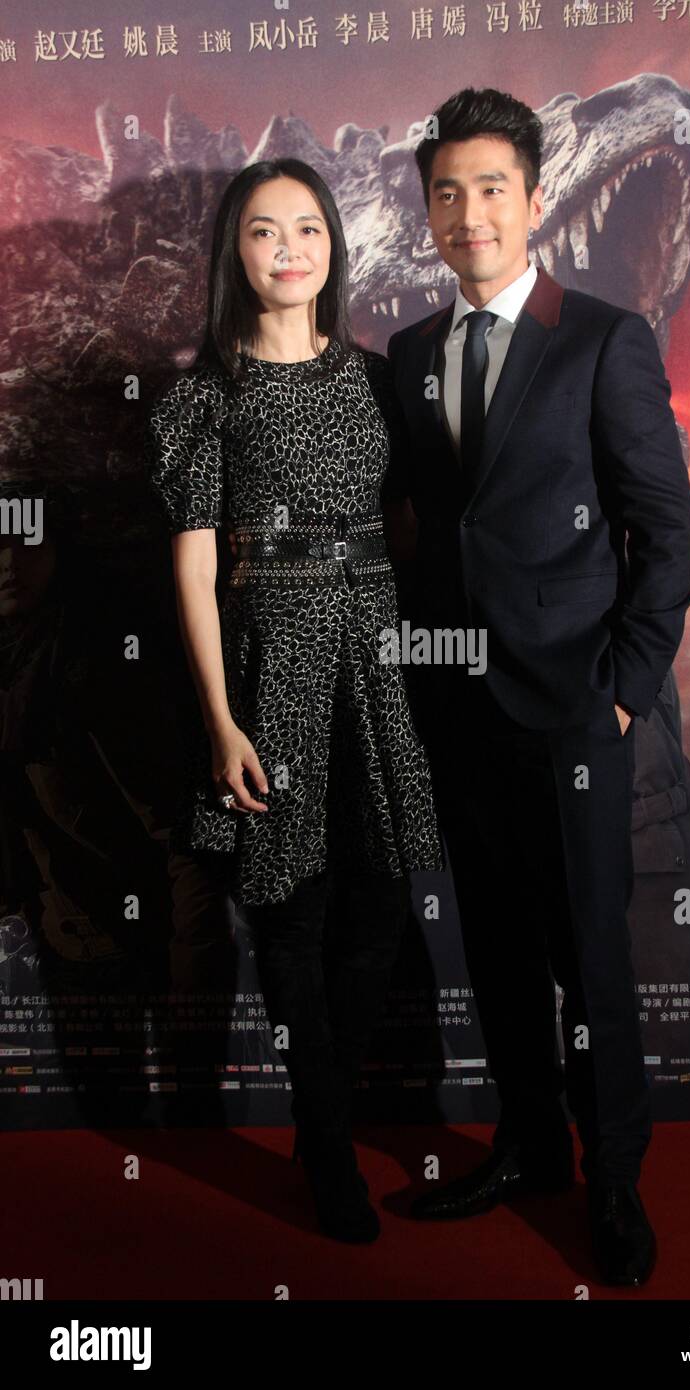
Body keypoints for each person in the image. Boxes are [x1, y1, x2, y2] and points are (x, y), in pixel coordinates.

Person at [386, 88, 690, 1286]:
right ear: (429, 211)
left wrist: (618, 690)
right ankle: (526, 1151)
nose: (469, 214)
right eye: (447, 193)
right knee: (501, 956)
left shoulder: (604, 338)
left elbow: (662, 533)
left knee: (589, 964)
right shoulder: (413, 353)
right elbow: (428, 529)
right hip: (458, 715)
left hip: (573, 713)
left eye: (490, 189)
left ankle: (611, 1181)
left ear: (530, 197)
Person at [146, 158, 443, 1244]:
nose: (288, 248)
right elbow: (189, 568)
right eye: (265, 231)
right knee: (290, 911)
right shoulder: (203, 397)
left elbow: (413, 525)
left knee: (375, 905)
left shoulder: (376, 378)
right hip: (268, 662)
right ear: (235, 250)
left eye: (307, 228)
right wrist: (221, 720)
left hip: (373, 656)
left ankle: (322, 1117)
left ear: (333, 245)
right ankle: (327, 1150)